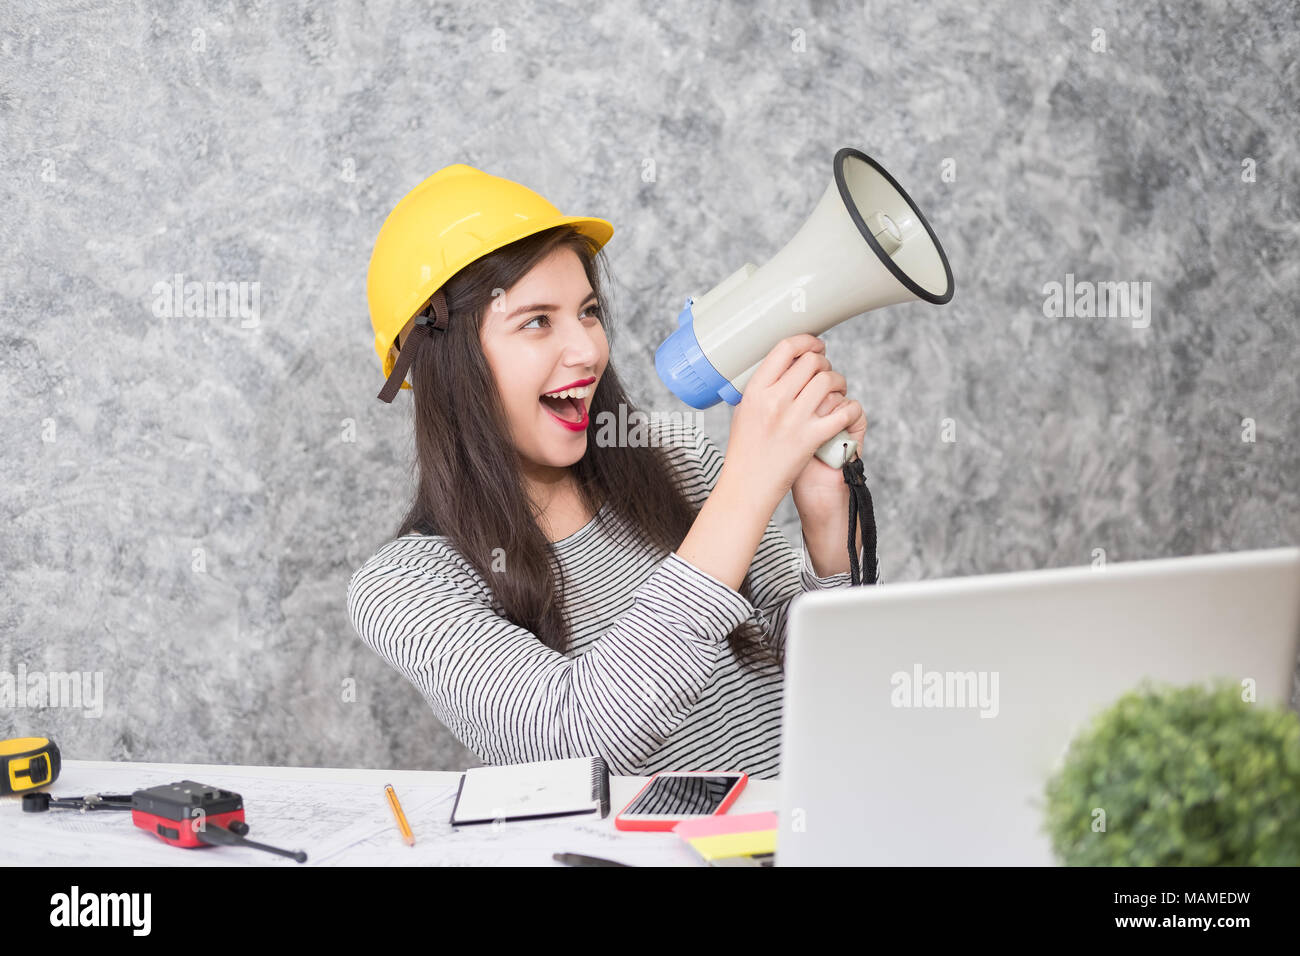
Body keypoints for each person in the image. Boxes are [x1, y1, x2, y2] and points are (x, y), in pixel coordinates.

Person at [347, 164, 870, 778]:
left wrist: (829, 528)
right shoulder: (404, 588)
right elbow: (582, 738)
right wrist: (749, 487)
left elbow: (835, 677)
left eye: (588, 311)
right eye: (537, 320)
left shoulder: (680, 461)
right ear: (443, 361)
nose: (589, 349)